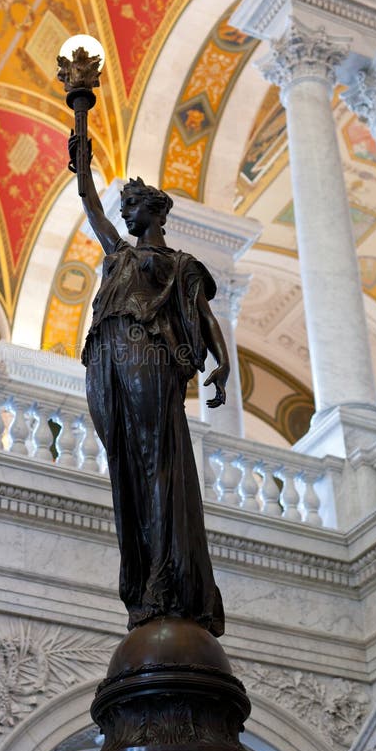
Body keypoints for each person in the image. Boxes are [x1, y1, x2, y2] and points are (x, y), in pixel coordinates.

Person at [68, 135, 229, 635]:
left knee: (154, 458)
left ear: (155, 212)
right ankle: (140, 577)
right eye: (123, 206)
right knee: (126, 467)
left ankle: (164, 577)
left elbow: (203, 317)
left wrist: (221, 364)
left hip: (146, 352)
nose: (124, 214)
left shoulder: (177, 265)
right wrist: (82, 166)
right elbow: (92, 207)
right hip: (107, 358)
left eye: (131, 206)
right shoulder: (117, 253)